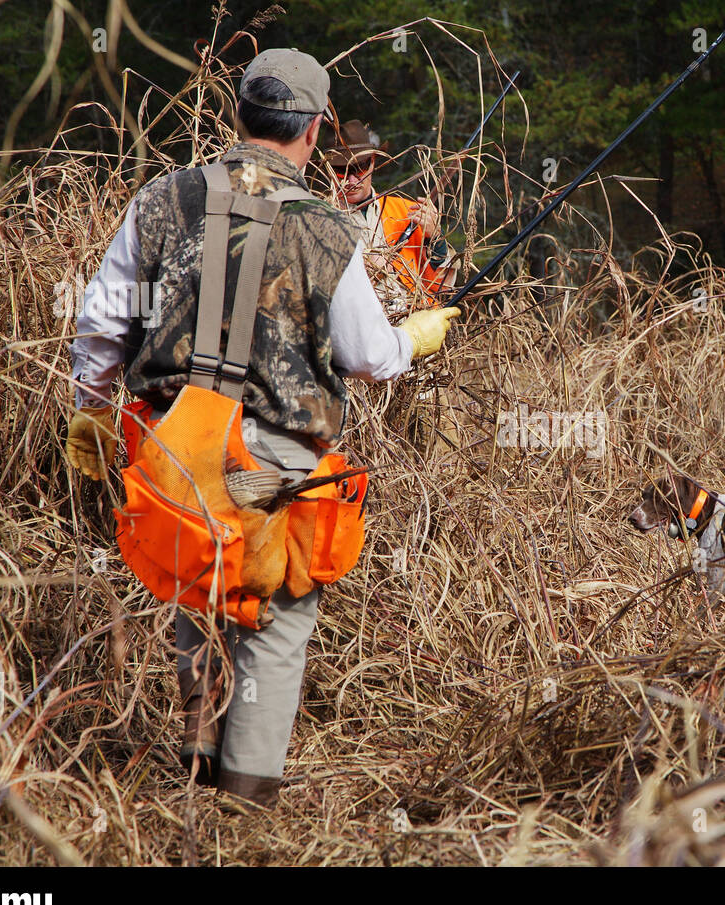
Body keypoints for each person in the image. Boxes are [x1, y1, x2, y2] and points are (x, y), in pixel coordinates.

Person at [63, 48, 459, 810]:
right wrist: (420, 334)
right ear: (314, 131)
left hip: (172, 439)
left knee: (197, 590)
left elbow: (102, 321)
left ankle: (192, 779)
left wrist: (89, 406)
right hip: (275, 456)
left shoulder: (163, 197)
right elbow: (371, 356)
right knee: (273, 624)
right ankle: (246, 817)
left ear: (238, 116)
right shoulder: (327, 227)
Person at [325, 119, 457, 315]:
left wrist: (436, 238)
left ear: (372, 163)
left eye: (358, 168)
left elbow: (442, 287)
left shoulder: (408, 211)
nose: (351, 180)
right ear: (327, 170)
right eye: (341, 171)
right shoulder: (317, 220)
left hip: (413, 330)